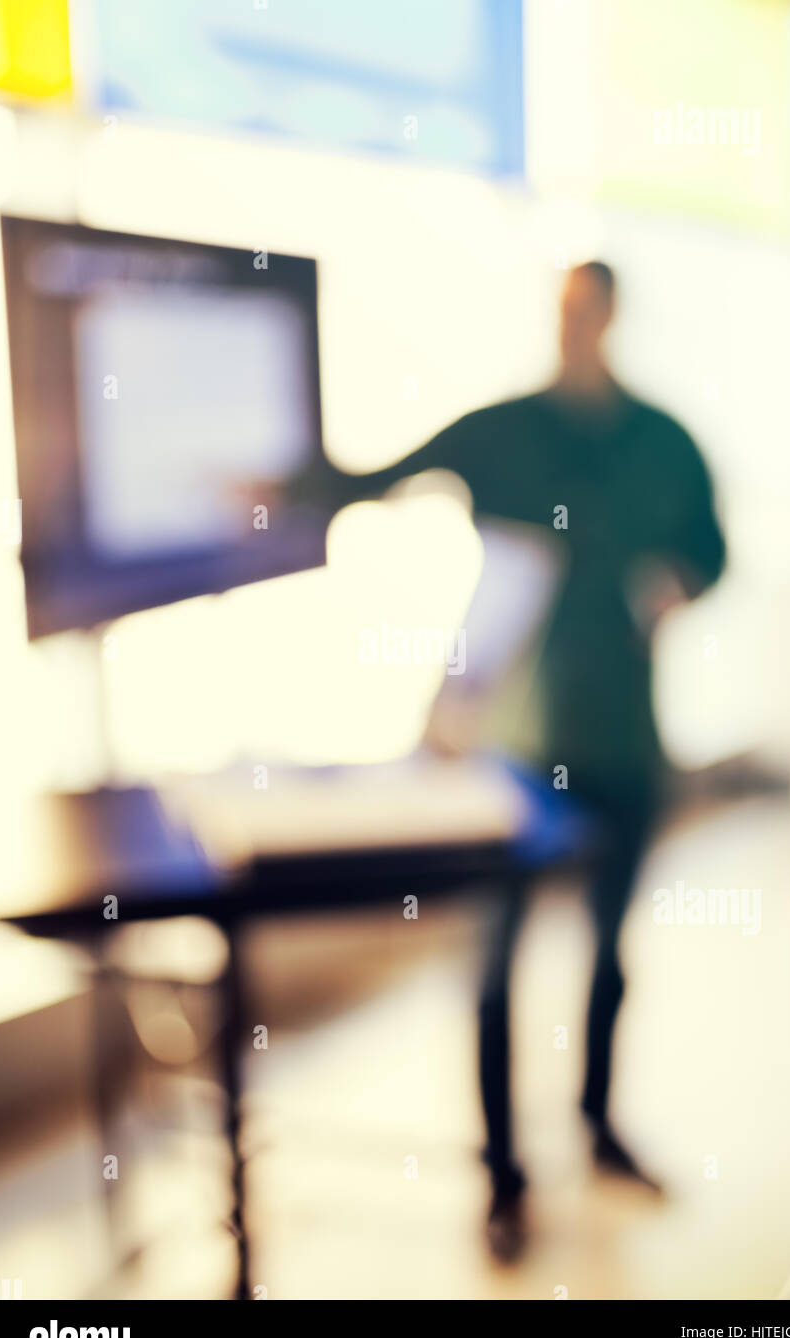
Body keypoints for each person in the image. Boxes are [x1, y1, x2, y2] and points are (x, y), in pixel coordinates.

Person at [287, 262, 725, 1259]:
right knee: (493, 970)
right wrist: (267, 480)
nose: (574, 326)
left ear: (611, 317)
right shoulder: (502, 431)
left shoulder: (661, 441)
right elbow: (368, 481)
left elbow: (712, 547)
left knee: (611, 955)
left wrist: (678, 583)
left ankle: (597, 1127)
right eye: (562, 310)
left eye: (589, 311)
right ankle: (500, 1175)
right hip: (515, 750)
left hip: (621, 742)